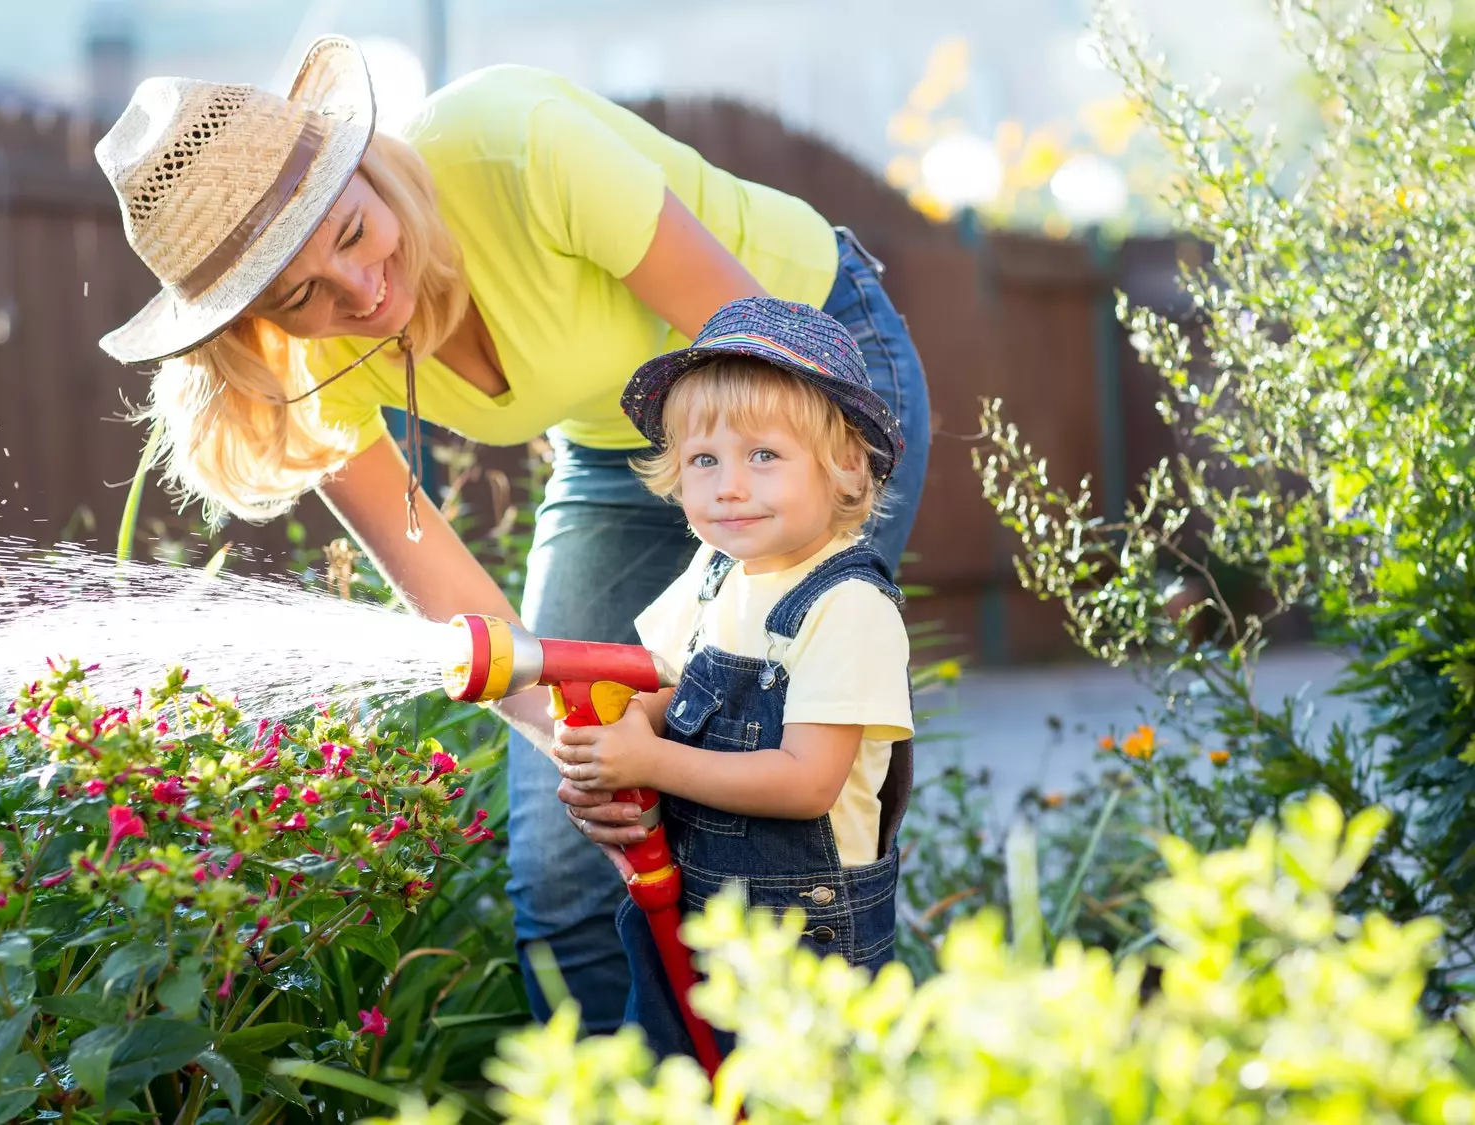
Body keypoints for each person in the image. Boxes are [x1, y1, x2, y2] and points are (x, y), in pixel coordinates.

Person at [93, 35, 929, 1032]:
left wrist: (667, 728)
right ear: (248, 327)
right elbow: (469, 622)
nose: (357, 294)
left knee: (767, 810)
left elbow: (763, 376)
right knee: (564, 865)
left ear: (363, 163)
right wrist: (590, 754)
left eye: (353, 233)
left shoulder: (516, 150)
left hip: (801, 372)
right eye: (298, 295)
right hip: (621, 444)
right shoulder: (298, 373)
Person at [550, 296, 912, 1058]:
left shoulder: (848, 606)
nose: (729, 486)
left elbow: (806, 780)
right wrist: (614, 736)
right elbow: (670, 687)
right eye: (704, 460)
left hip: (805, 934)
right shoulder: (716, 573)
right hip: (697, 904)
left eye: (764, 456)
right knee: (682, 1081)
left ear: (846, 463)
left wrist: (648, 761)